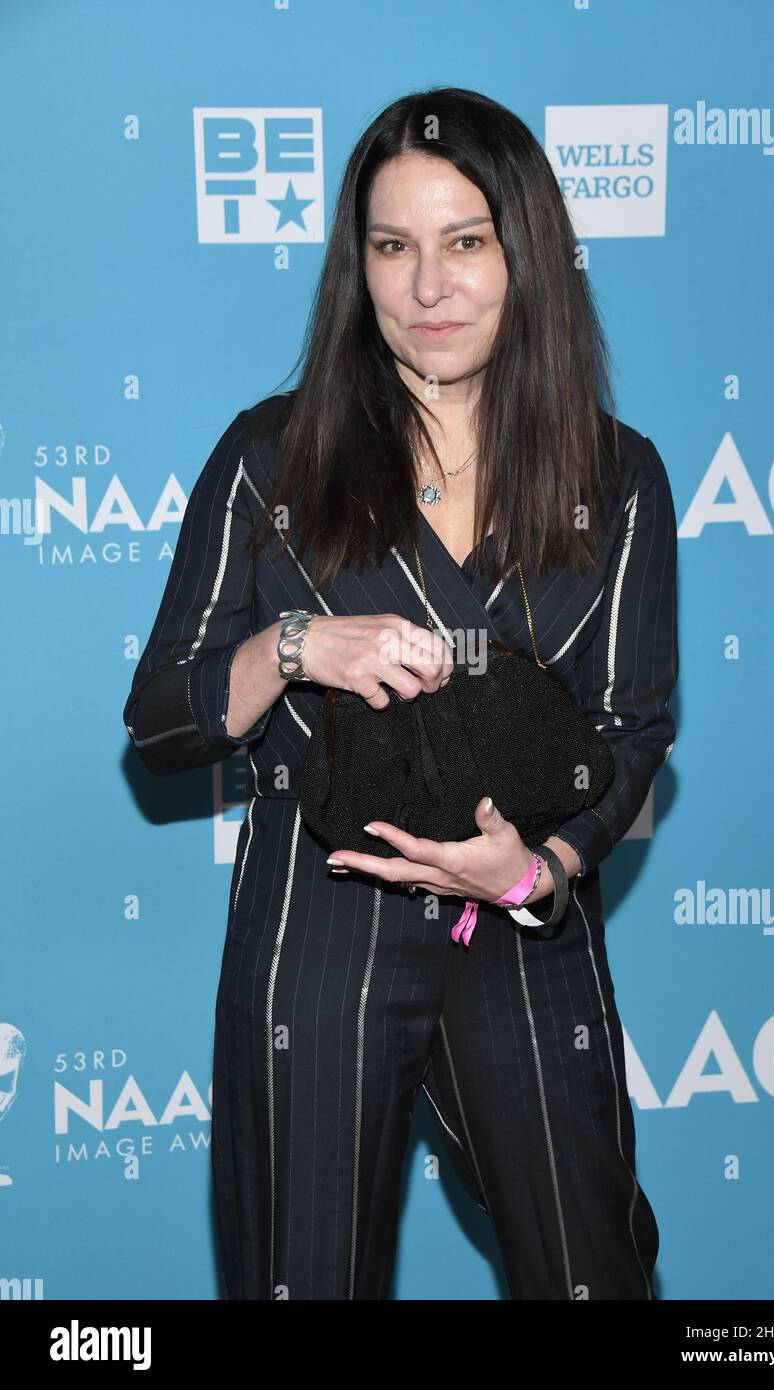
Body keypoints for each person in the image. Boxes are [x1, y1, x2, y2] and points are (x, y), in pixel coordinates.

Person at [122, 87, 678, 1301]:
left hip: (519, 931)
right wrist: (295, 647)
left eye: (464, 241)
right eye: (391, 245)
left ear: (524, 255)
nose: (427, 287)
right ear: (355, 264)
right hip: (317, 930)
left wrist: (539, 872)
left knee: (593, 1271)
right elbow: (161, 718)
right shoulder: (273, 457)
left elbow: (633, 732)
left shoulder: (616, 475)